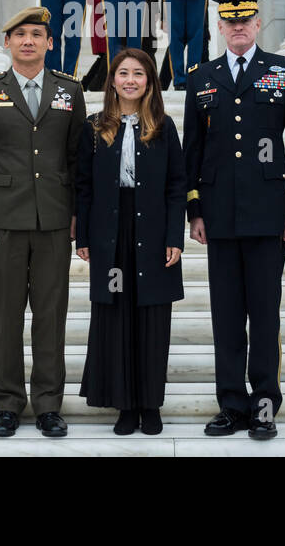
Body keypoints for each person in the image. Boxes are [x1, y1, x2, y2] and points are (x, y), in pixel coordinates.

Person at [183, 0, 285, 440]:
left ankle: (263, 402)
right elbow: (191, 150)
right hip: (218, 214)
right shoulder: (200, 76)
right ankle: (231, 402)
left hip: (269, 211)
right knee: (227, 313)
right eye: (230, 21)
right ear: (220, 27)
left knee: (265, 310)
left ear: (258, 24)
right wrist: (194, 208)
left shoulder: (283, 70)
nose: (238, 27)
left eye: (245, 20)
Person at [0, 7, 87, 438]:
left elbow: (78, 158)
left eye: (37, 34)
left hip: (55, 217)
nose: (29, 41)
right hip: (5, 220)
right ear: (7, 43)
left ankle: (49, 404)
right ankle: (9, 403)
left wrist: (78, 214)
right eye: (20, 35)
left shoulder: (69, 90)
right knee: (7, 315)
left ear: (50, 43)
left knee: (51, 315)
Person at [75, 47, 186, 435]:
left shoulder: (164, 126)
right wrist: (84, 235)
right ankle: (124, 405)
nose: (130, 80)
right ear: (112, 81)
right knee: (116, 316)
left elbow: (176, 186)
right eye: (123, 73)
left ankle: (150, 404)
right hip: (111, 232)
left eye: (139, 73)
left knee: (152, 318)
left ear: (150, 81)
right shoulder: (93, 127)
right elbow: (84, 187)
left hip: (152, 232)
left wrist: (175, 237)